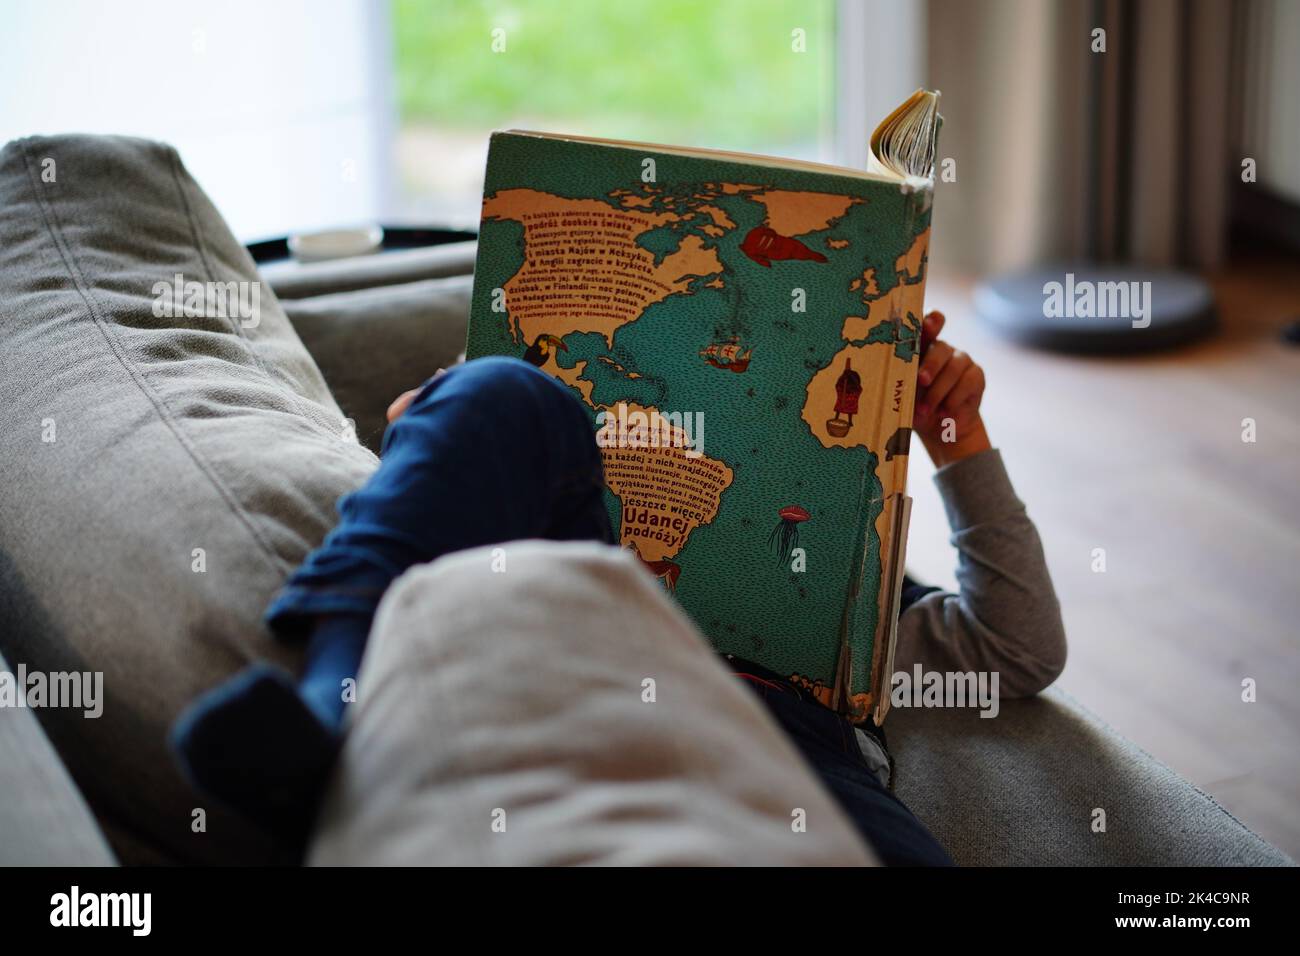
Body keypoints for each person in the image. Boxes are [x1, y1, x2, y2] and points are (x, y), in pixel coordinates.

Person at [171, 310, 1066, 865]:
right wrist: (443, 411)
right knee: (497, 395)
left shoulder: (847, 592)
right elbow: (435, 485)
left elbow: (1018, 647)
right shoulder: (550, 511)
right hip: (575, 644)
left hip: (795, 766)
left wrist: (959, 438)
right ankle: (331, 718)